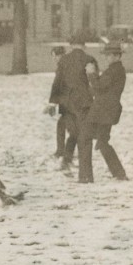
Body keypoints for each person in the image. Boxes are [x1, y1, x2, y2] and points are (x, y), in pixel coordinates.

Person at [48, 36, 95, 176]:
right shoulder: (90, 60)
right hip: (83, 103)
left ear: (72, 45)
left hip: (66, 104)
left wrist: (53, 102)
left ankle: (66, 160)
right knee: (83, 135)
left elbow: (57, 83)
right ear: (83, 45)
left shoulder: (63, 60)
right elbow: (93, 82)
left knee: (74, 133)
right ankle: (83, 170)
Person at [81, 44, 128, 182]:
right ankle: (119, 173)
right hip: (107, 110)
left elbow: (99, 86)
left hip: (103, 111)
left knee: (85, 138)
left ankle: (86, 176)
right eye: (106, 55)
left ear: (117, 56)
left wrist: (91, 73)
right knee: (102, 142)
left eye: (109, 55)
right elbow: (100, 89)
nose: (107, 57)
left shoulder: (114, 70)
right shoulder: (116, 70)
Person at [45, 46, 77, 163]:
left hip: (69, 103)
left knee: (71, 129)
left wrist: (52, 103)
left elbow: (57, 86)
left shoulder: (63, 67)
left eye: (55, 56)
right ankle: (61, 151)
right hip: (69, 102)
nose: (54, 59)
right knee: (62, 126)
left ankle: (64, 153)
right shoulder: (68, 65)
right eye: (53, 57)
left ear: (60, 55)